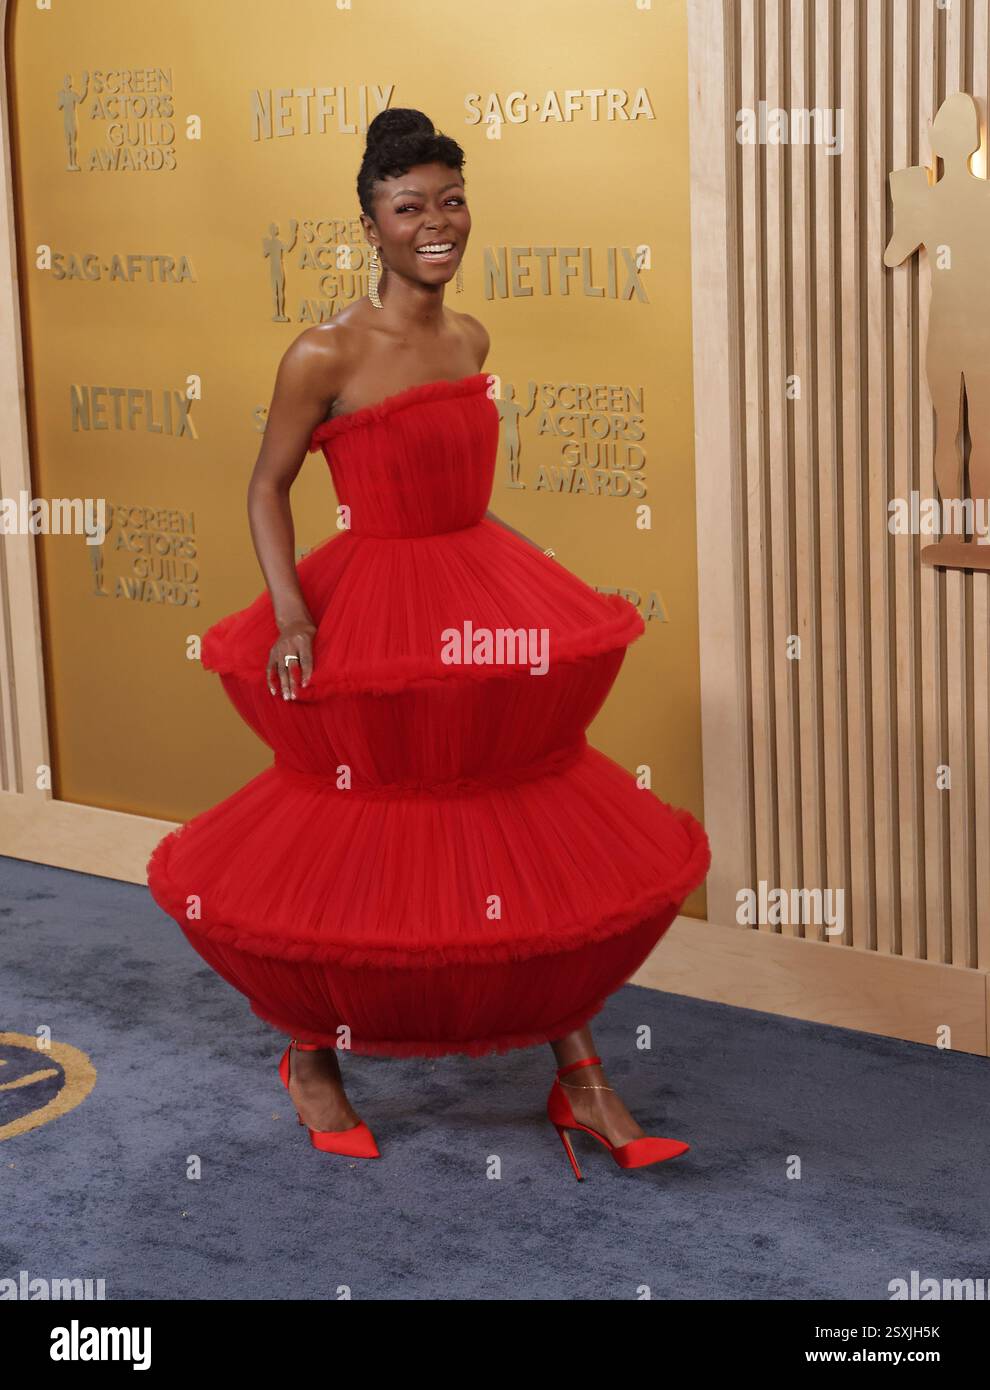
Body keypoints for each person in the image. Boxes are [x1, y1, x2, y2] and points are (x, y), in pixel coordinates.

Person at [147, 108, 710, 1179]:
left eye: (451, 201)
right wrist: (293, 615)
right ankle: (313, 1055)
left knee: (517, 811)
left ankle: (582, 1076)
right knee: (354, 823)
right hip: (372, 607)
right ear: (370, 226)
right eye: (410, 207)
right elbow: (267, 485)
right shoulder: (324, 351)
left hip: (478, 584)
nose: (437, 223)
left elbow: (457, 481)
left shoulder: (471, 339)